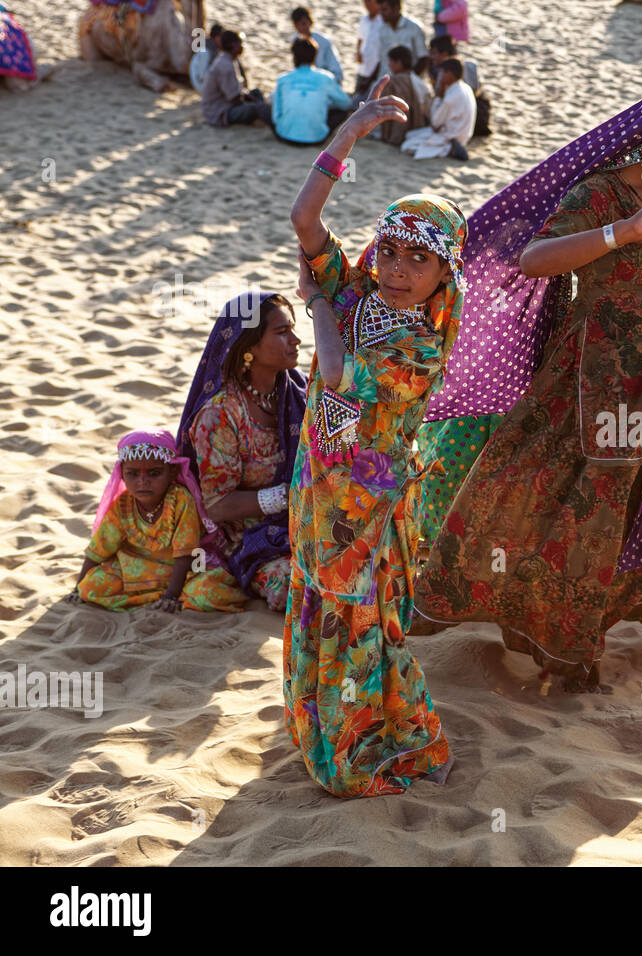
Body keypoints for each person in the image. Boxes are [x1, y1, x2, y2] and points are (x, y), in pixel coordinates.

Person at [410, 76, 642, 693]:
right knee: (579, 505)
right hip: (591, 375)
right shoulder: (600, 193)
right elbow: (534, 259)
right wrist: (624, 233)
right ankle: (563, 643)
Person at [283, 77, 459, 797]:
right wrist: (349, 132)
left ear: (444, 271)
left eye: (419, 260)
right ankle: (326, 722)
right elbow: (304, 217)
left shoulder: (423, 341)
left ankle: (377, 738)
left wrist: (320, 302)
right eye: (388, 251)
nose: (397, 269)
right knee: (321, 599)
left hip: (373, 489)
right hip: (318, 471)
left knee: (361, 614)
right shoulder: (363, 292)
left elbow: (333, 371)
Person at [177, 293, 307, 613]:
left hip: (307, 518)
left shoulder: (299, 391)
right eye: (281, 332)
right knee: (299, 592)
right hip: (253, 538)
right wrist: (290, 496)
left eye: (292, 329)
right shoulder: (220, 415)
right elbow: (218, 506)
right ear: (248, 347)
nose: (297, 340)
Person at [67, 430, 247, 613]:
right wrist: (77, 588)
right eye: (133, 474)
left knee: (206, 593)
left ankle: (168, 597)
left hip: (184, 572)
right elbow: (98, 549)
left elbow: (185, 554)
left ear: (172, 472)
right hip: (138, 571)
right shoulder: (122, 505)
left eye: (154, 473)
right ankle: (158, 598)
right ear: (122, 474)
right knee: (90, 587)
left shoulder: (181, 500)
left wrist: (171, 595)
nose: (143, 482)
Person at [273, 38, 354, 145]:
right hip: (317, 138)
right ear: (315, 56)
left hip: (285, 135)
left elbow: (276, 114)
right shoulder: (326, 77)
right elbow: (346, 103)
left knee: (263, 108)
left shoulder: (283, 79)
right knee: (342, 113)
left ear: (294, 57)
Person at [400, 57, 474, 160]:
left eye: (442, 73)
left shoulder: (451, 97)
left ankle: (451, 149)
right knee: (410, 135)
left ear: (450, 74)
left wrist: (439, 95)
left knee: (407, 146)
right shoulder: (465, 87)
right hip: (464, 134)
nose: (440, 76)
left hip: (453, 136)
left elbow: (435, 121)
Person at [200, 30, 273, 129]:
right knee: (258, 108)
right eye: (240, 43)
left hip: (224, 103)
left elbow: (237, 92)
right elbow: (235, 99)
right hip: (219, 112)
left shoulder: (227, 59)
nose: (242, 47)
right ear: (233, 45)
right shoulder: (225, 66)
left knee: (256, 93)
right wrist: (254, 103)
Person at [375, 44, 430, 146]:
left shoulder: (394, 82)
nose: (389, 64)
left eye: (391, 61)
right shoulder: (418, 81)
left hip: (400, 129)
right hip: (418, 127)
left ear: (399, 62)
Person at [290, 6, 344, 87]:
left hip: (324, 82)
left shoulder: (324, 42)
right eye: (297, 25)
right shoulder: (295, 41)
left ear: (310, 22)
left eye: (303, 24)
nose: (301, 28)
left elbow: (336, 72)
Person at [375, 0, 427, 76]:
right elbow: (381, 60)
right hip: (385, 80)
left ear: (396, 8)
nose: (381, 14)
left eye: (384, 10)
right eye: (380, 10)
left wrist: (409, 79)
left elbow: (423, 59)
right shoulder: (382, 29)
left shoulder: (414, 29)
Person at [354, 0, 382, 97]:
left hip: (376, 70)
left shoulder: (384, 21)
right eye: (365, 1)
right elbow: (360, 39)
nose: (367, 4)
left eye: (370, 1)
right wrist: (358, 52)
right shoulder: (364, 20)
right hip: (362, 68)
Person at [188, 22, 224, 91]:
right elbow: (202, 75)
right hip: (201, 84)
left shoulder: (215, 50)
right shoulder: (205, 51)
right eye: (221, 37)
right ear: (216, 37)